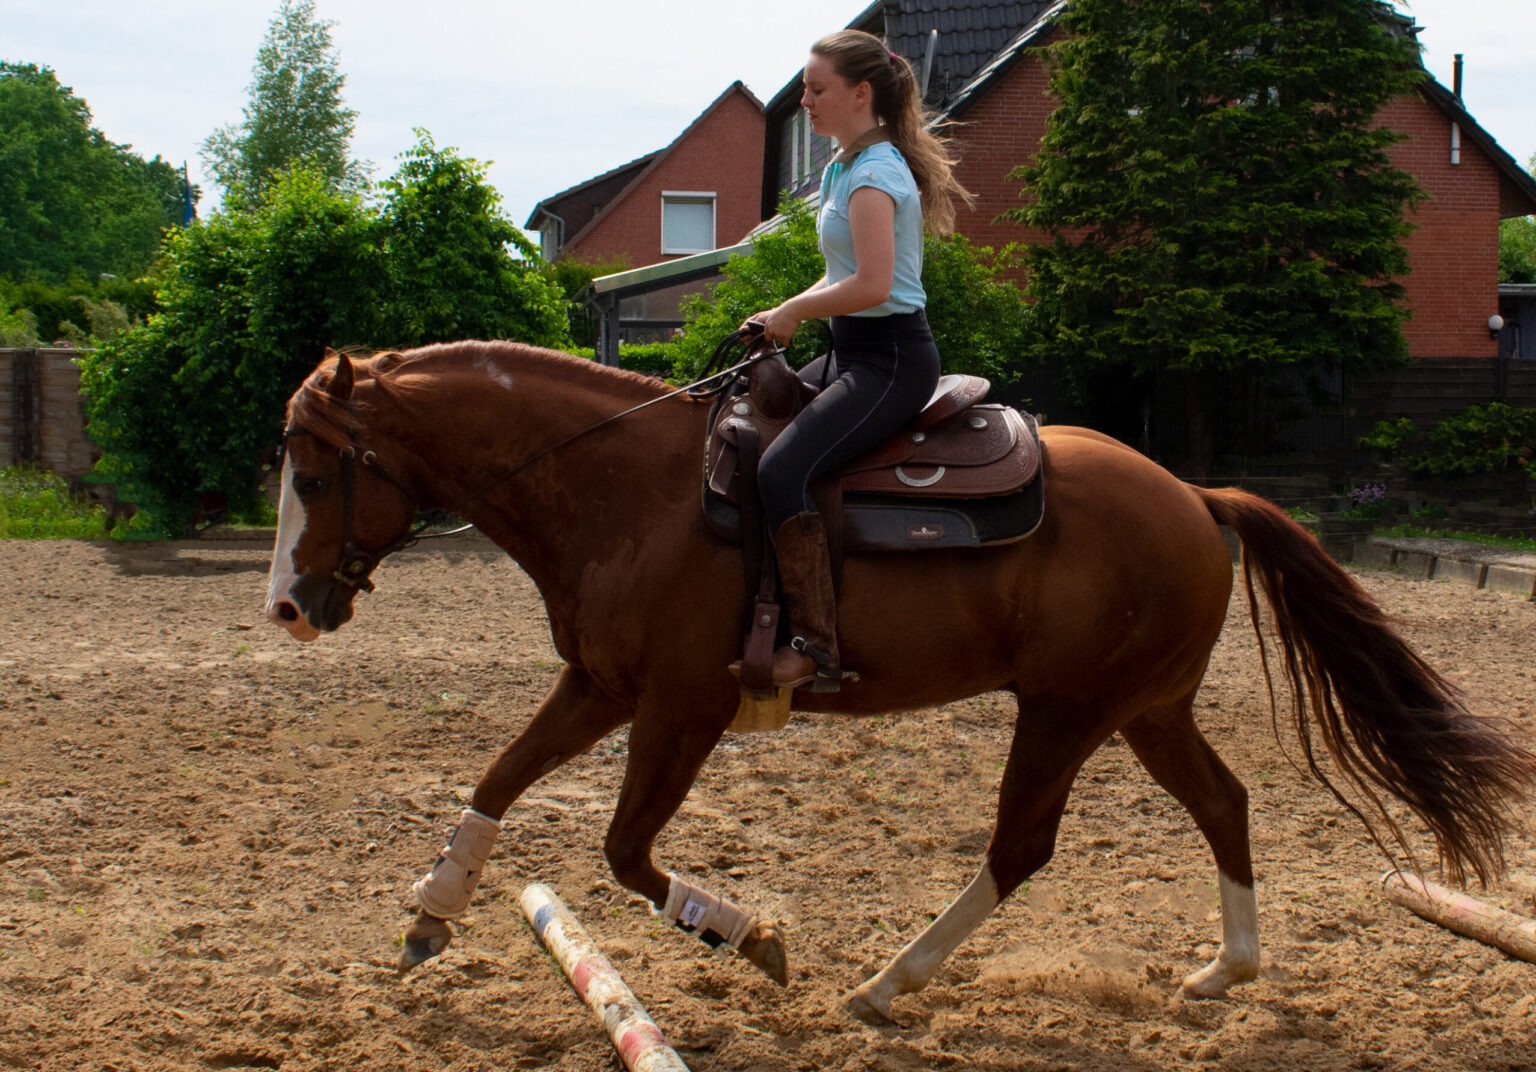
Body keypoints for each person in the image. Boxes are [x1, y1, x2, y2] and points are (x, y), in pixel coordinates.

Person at [742, 28, 973, 692]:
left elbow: (872, 286)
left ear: (860, 93)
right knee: (756, 425)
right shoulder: (844, 166)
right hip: (853, 350)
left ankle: (814, 644)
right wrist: (782, 309)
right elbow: (839, 273)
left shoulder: (875, 173)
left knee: (786, 469)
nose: (805, 102)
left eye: (817, 90)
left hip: (891, 362)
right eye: (806, 89)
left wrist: (793, 315)